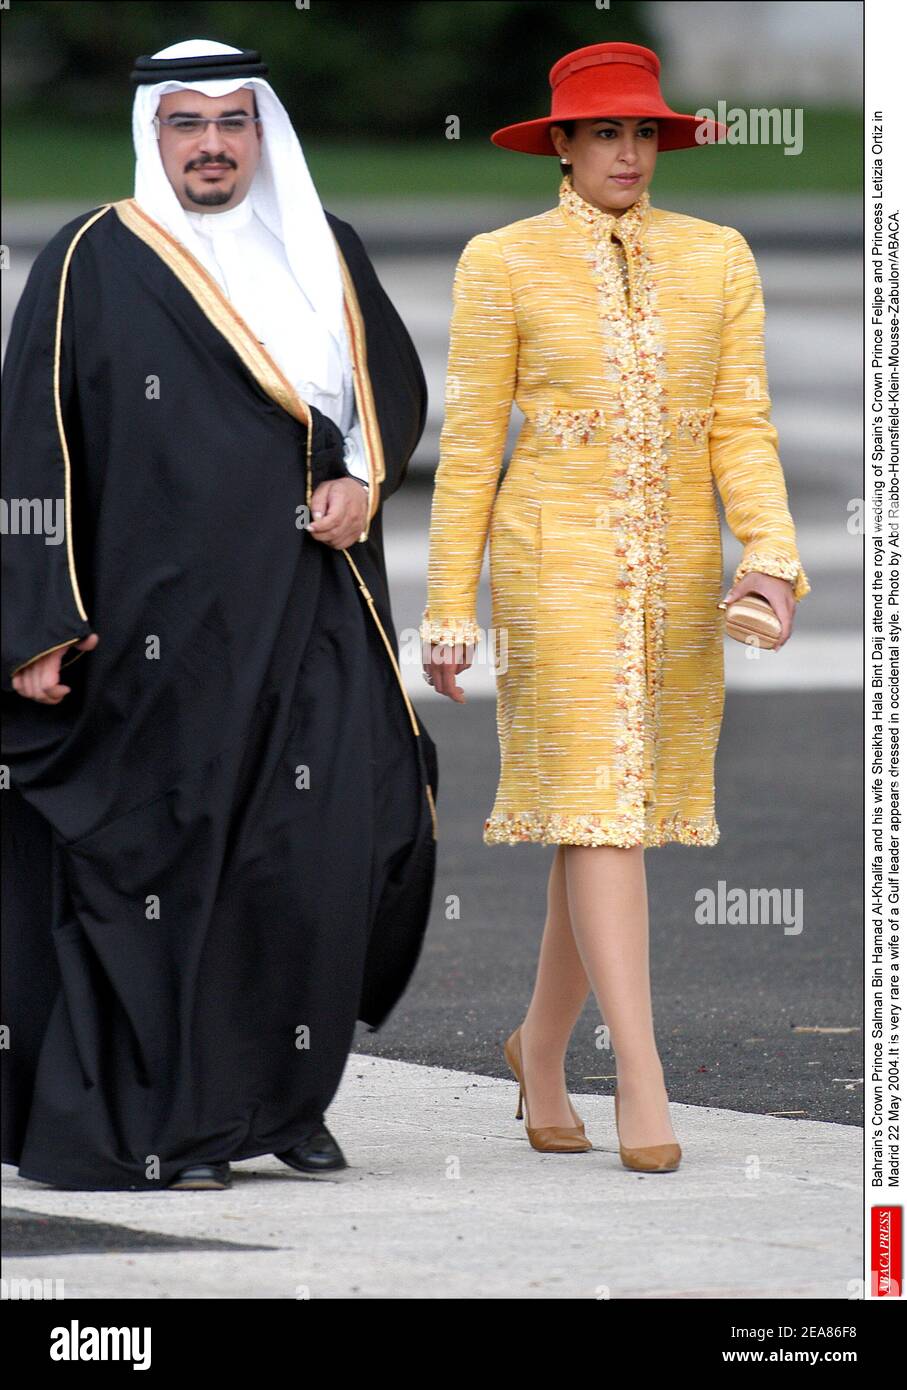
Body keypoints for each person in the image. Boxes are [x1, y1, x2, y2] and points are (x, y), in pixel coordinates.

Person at [1, 39, 438, 1191]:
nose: (209, 143)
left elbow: (386, 384)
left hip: (318, 605)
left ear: (262, 134)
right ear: (154, 136)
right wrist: (39, 619)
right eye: (185, 123)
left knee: (325, 852)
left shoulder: (322, 247)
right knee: (172, 860)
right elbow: (30, 440)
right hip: (161, 631)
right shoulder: (95, 257)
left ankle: (284, 1099)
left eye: (231, 123)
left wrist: (364, 475)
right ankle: (182, 1114)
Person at [420, 41, 809, 1172]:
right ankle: (641, 1071)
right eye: (604, 132)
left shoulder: (718, 257)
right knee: (598, 810)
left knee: (610, 817)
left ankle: (538, 1049)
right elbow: (467, 454)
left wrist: (772, 557)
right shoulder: (501, 261)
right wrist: (451, 607)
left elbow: (743, 424)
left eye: (643, 132)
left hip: (682, 574)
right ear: (561, 142)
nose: (628, 152)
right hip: (551, 570)